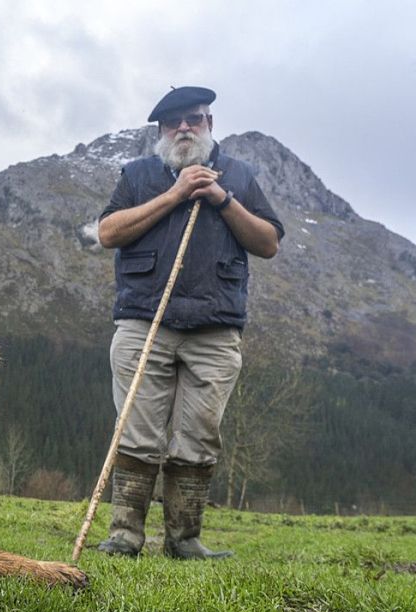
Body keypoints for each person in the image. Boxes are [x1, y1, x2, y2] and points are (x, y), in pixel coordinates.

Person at [96, 86, 283, 559]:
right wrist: (177, 194)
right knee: (136, 430)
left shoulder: (240, 175)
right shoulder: (137, 175)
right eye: (174, 122)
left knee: (199, 435)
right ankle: (125, 536)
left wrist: (222, 199)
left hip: (215, 329)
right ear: (160, 131)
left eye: (194, 120)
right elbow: (108, 232)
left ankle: (184, 540)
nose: (184, 128)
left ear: (210, 125)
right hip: (145, 322)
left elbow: (268, 242)